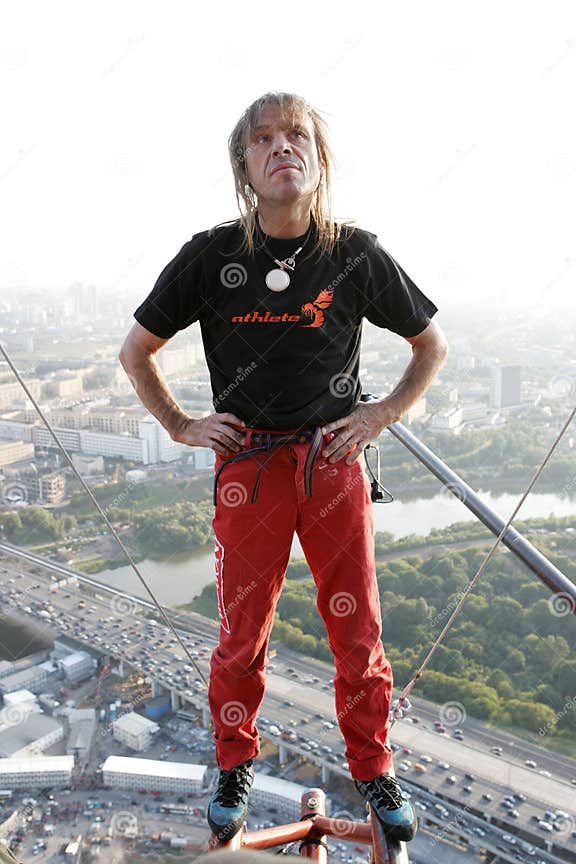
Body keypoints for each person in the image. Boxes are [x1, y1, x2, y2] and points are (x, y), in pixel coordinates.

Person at [119, 91, 448, 846]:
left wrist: (377, 416)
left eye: (296, 135)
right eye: (263, 139)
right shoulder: (211, 256)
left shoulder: (354, 253)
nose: (281, 148)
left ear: (318, 157)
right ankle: (235, 763)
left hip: (332, 463)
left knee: (357, 634)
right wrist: (180, 424)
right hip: (250, 465)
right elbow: (136, 352)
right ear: (245, 164)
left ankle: (373, 769)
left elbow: (431, 346)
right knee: (241, 635)